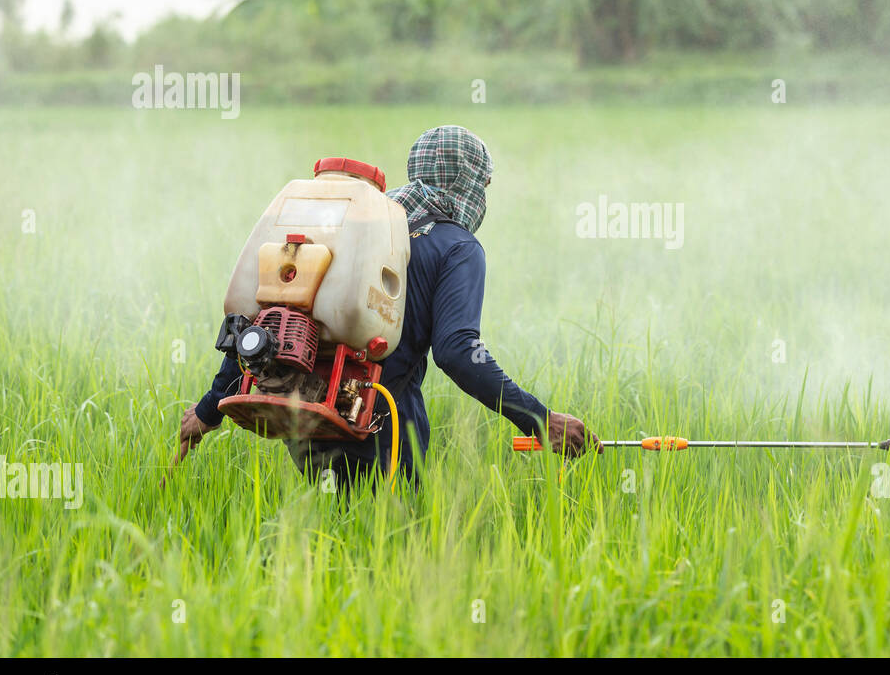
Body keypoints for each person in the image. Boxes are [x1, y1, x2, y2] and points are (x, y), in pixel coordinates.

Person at [176, 124, 599, 487]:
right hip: (382, 422)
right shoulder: (457, 247)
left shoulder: (354, 228)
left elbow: (264, 316)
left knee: (336, 537)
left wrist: (208, 409)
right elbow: (457, 352)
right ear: (466, 180)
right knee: (388, 547)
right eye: (482, 184)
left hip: (309, 412)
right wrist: (539, 419)